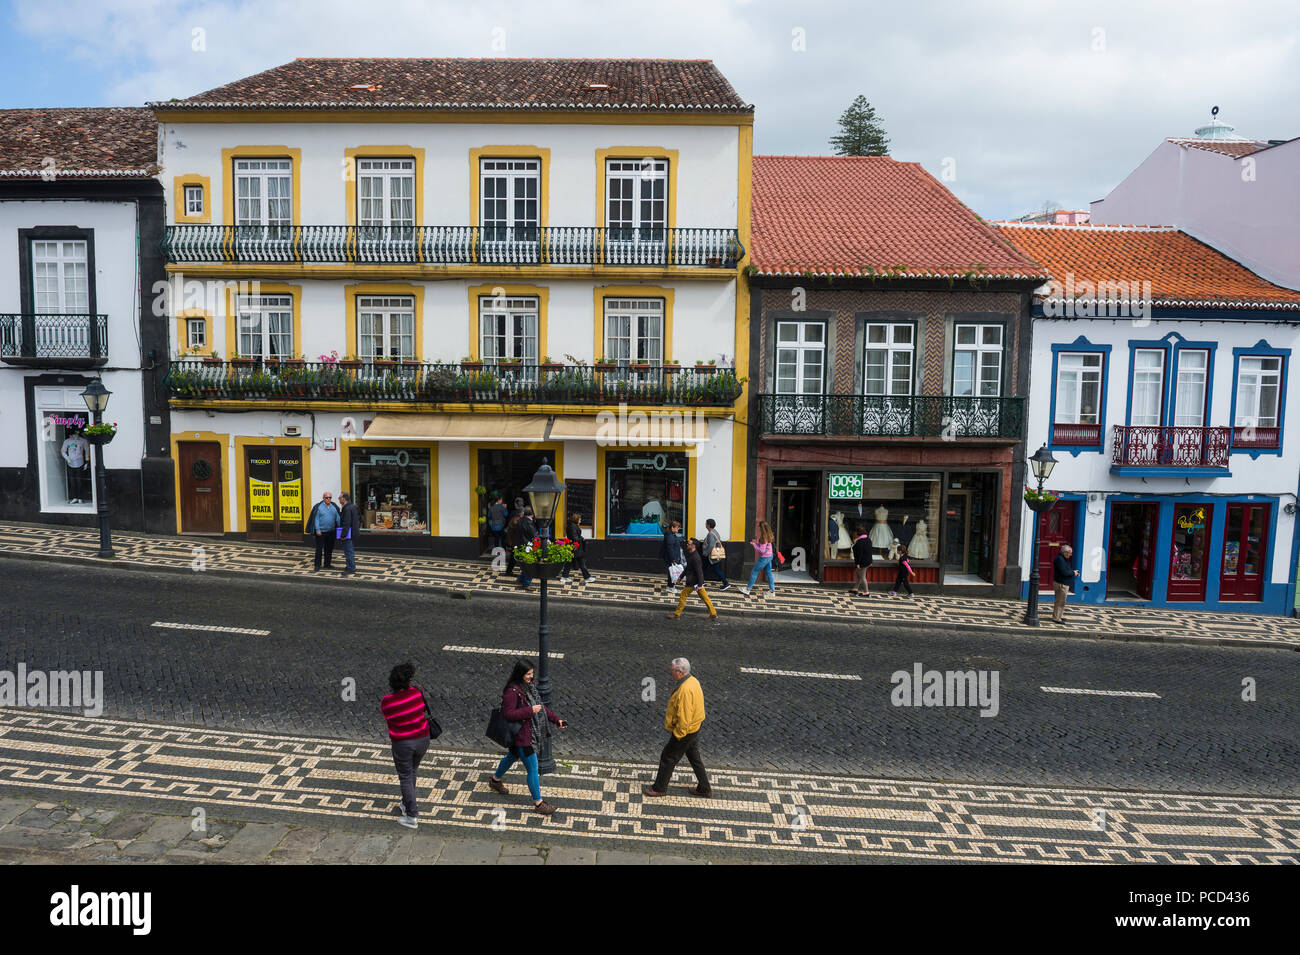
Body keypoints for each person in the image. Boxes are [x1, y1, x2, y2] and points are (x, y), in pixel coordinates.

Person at [487, 659, 568, 815]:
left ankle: (495, 781)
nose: (532, 676)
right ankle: (538, 803)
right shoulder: (512, 692)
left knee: (511, 756)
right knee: (533, 768)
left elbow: (541, 708)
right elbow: (509, 714)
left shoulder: (529, 687)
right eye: (528, 673)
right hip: (523, 737)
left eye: (532, 673)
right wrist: (530, 711)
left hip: (526, 733)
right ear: (520, 673)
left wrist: (556, 720)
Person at [643, 657, 710, 799]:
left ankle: (659, 788)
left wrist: (678, 735)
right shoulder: (693, 681)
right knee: (694, 757)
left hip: (685, 731)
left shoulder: (684, 690)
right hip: (695, 727)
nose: (670, 672)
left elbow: (684, 716)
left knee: (668, 756)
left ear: (679, 672)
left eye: (672, 670)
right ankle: (704, 788)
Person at [381, 661, 432, 829]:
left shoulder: (387, 702)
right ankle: (406, 802)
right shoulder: (418, 692)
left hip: (403, 743)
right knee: (412, 771)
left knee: (405, 776)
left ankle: (412, 815)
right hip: (423, 739)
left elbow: (389, 718)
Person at [666, 538, 718, 623]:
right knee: (705, 597)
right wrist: (680, 577)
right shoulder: (692, 555)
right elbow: (688, 568)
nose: (687, 544)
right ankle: (713, 613)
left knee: (683, 595)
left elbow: (699, 572)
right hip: (695, 582)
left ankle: (677, 614)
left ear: (693, 546)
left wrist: (700, 584)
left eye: (689, 543)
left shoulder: (695, 558)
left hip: (693, 582)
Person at [305, 491, 341, 571]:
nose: (328, 499)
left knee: (329, 549)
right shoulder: (319, 507)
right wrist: (317, 530)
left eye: (330, 498)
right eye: (327, 498)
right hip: (321, 532)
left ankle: (327, 564)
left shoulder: (333, 507)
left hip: (331, 531)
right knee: (319, 549)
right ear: (323, 498)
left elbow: (337, 518)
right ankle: (317, 565)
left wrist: (340, 527)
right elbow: (316, 520)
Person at [741, 520, 777, 596]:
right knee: (769, 573)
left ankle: (748, 589)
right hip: (770, 556)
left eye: (759, 527)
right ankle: (772, 591)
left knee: (754, 571)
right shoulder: (769, 535)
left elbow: (762, 550)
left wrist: (754, 544)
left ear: (762, 528)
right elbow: (763, 544)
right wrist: (756, 542)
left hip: (764, 558)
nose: (758, 528)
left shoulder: (763, 537)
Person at [561, 512, 593, 584]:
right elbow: (574, 537)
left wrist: (580, 538)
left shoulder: (572, 526)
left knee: (570, 562)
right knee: (580, 563)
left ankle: (564, 577)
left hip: (574, 547)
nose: (580, 521)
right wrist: (581, 539)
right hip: (575, 547)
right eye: (579, 519)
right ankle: (587, 577)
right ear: (576, 520)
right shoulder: (573, 527)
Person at [1052, 543, 1080, 623]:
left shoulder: (1063, 559)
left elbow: (1067, 570)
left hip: (1063, 583)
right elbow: (1064, 572)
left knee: (1062, 602)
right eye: (1070, 553)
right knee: (1060, 601)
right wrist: (1073, 573)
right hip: (1061, 584)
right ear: (1065, 552)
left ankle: (1059, 616)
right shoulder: (1059, 559)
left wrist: (1073, 572)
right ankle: (1056, 618)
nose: (1071, 555)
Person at [702, 518, 731, 590]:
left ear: (708, 525)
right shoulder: (715, 532)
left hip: (711, 555)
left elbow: (711, 546)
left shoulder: (710, 534)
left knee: (716, 569)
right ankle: (701, 581)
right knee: (703, 567)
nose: (705, 525)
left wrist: (705, 553)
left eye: (706, 523)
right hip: (713, 554)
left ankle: (726, 583)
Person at [338, 492, 361, 576]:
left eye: (339, 498)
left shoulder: (347, 508)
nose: (339, 499)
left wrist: (343, 535)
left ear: (344, 499)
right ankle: (350, 566)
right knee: (349, 550)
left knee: (348, 551)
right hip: (352, 532)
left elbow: (346, 523)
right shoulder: (351, 506)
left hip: (348, 534)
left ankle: (351, 568)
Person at [516, 506, 538, 589]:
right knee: (530, 565)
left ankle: (521, 579)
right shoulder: (529, 522)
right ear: (532, 514)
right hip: (528, 545)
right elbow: (534, 535)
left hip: (520, 544)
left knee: (525, 564)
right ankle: (526, 584)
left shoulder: (521, 520)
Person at [660, 519, 684, 591]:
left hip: (672, 557)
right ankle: (670, 587)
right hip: (671, 557)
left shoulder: (672, 534)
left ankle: (670, 586)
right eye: (677, 527)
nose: (678, 529)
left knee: (672, 571)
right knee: (673, 572)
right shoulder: (670, 536)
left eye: (679, 527)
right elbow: (670, 549)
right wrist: (673, 559)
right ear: (672, 528)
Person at [851, 523, 873, 596]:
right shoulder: (868, 539)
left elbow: (858, 554)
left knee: (863, 577)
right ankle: (855, 589)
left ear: (857, 533)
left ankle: (866, 592)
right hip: (867, 561)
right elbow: (870, 551)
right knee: (858, 574)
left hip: (862, 562)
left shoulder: (859, 542)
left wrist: (858, 563)